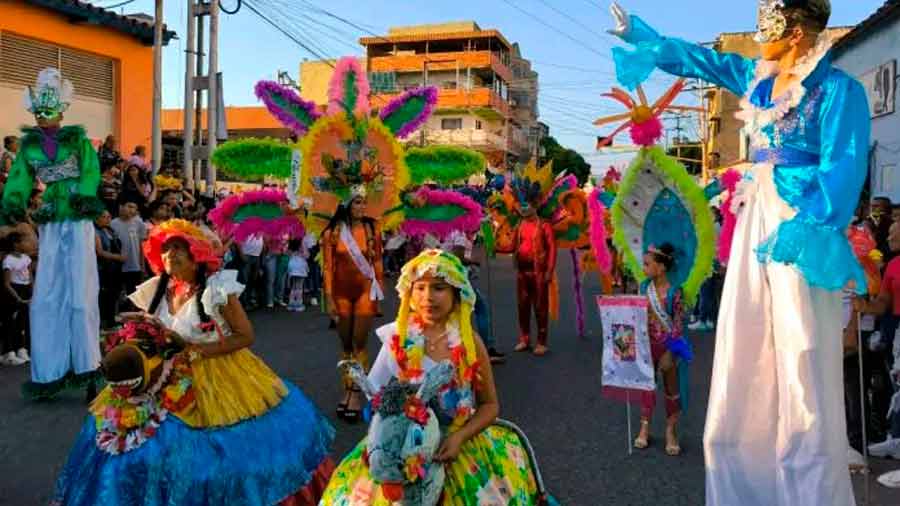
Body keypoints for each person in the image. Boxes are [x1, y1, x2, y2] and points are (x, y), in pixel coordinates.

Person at [608, 1, 870, 504]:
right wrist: (643, 36)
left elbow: (845, 165)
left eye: (766, 24)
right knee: (744, 339)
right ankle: (748, 481)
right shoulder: (758, 77)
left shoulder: (839, 90)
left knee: (803, 353)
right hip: (755, 215)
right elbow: (701, 61)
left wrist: (811, 226)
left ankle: (811, 488)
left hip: (800, 222)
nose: (758, 35)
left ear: (793, 30)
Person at [51, 219, 335, 506]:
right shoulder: (157, 289)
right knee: (128, 442)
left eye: (178, 248)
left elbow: (245, 336)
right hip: (159, 374)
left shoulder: (217, 289)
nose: (170, 255)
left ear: (196, 254)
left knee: (211, 454)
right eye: (165, 249)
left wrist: (193, 349)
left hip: (216, 376)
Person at [320, 249, 542, 504]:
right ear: (409, 294)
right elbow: (376, 400)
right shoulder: (397, 340)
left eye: (439, 288)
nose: (428, 297)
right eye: (420, 288)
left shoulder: (470, 343)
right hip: (402, 451)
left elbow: (490, 405)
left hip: (455, 445)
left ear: (456, 293)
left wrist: (459, 437)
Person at [2, 68, 105, 400]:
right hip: (50, 222)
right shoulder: (29, 148)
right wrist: (14, 202)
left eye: (49, 111)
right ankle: (48, 372)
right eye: (39, 112)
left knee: (80, 295)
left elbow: (90, 172)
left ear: (62, 111)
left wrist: (85, 196)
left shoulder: (78, 142)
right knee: (46, 296)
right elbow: (18, 179)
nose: (44, 117)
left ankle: (89, 368)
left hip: (76, 219)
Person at [321, 193, 384, 422]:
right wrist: (329, 298)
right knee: (345, 343)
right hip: (341, 294)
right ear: (346, 204)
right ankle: (347, 389)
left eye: (364, 202)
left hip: (365, 292)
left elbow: (377, 261)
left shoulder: (371, 229)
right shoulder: (333, 232)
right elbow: (328, 268)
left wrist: (379, 290)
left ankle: (356, 393)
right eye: (357, 201)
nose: (361, 206)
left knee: (359, 342)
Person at [634, 243, 689, 456]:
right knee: (647, 386)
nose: (644, 268)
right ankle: (644, 427)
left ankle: (671, 431)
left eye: (648, 264)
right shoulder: (643, 287)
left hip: (668, 347)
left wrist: (670, 352)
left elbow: (677, 324)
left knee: (670, 390)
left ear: (662, 267)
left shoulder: (675, 291)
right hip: (647, 346)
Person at [512, 201, 557, 357]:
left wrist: (549, 271)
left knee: (540, 307)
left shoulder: (544, 225)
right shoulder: (519, 225)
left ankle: (541, 342)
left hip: (539, 272)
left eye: (527, 205)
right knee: (522, 306)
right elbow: (511, 246)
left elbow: (552, 249)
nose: (523, 208)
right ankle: (525, 339)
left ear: (535, 206)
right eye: (521, 205)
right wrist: (492, 245)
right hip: (522, 272)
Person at [1, 231, 34, 366]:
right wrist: (18, 298)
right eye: (24, 241)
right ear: (16, 244)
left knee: (24, 321)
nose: (28, 244)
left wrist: (33, 292)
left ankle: (21, 348)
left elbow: (30, 276)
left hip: (26, 290)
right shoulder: (8, 260)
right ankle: (8, 353)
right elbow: (6, 283)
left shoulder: (26, 258)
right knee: (11, 322)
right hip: (14, 291)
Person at [111, 199, 147, 307]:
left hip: (134, 266)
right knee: (117, 294)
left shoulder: (139, 223)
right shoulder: (112, 224)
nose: (132, 210)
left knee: (133, 296)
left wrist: (142, 266)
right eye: (129, 206)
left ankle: (132, 321)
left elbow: (142, 246)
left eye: (134, 208)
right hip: (118, 266)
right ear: (121, 207)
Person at [94, 210, 125, 329]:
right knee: (104, 295)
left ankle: (111, 319)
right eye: (103, 217)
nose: (107, 219)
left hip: (114, 268)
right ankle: (103, 322)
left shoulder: (109, 230)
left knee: (113, 294)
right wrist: (117, 257)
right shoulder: (95, 231)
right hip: (102, 269)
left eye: (109, 216)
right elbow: (99, 252)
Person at [239, 233, 265, 309]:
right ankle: (243, 302)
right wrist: (242, 255)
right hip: (246, 255)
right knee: (244, 280)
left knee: (252, 279)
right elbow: (238, 240)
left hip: (256, 256)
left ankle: (249, 300)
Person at [287, 238, 309, 312]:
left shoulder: (291, 243)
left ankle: (291, 304)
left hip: (292, 265)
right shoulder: (302, 244)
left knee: (294, 285)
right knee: (299, 286)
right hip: (300, 266)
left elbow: (288, 253)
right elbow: (306, 256)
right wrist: (304, 250)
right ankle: (298, 305)